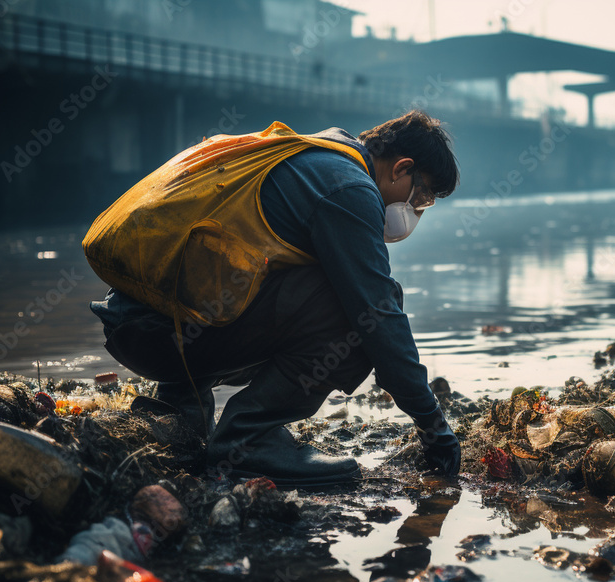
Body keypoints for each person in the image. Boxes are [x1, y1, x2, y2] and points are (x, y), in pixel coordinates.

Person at [83, 110, 462, 486]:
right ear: (400, 168)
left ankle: (182, 406)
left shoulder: (313, 154)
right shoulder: (349, 188)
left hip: (142, 326)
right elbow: (379, 314)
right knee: (361, 314)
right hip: (161, 337)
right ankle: (247, 440)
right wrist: (433, 424)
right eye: (422, 196)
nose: (415, 210)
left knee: (315, 285)